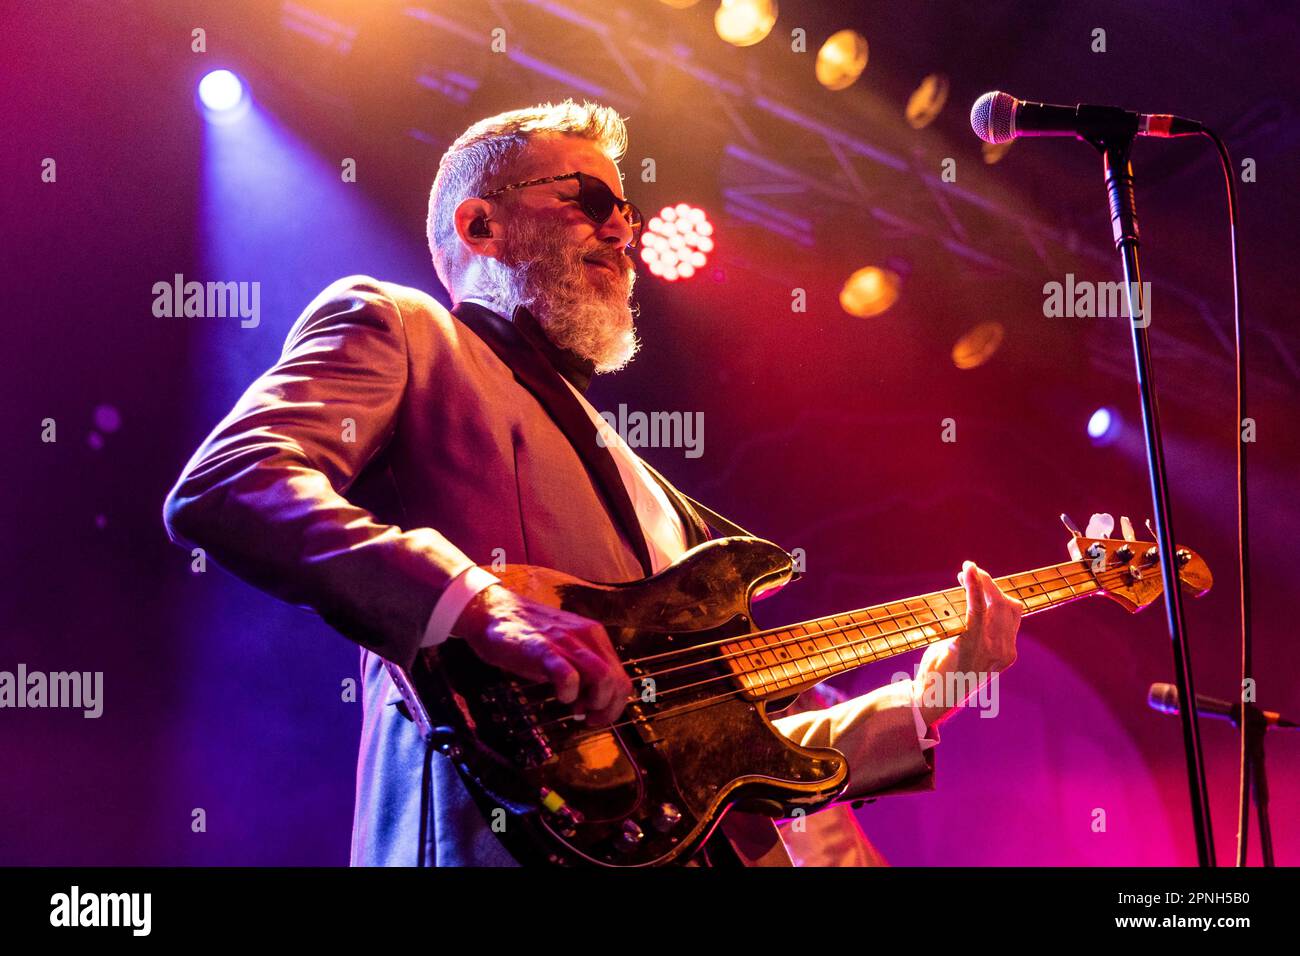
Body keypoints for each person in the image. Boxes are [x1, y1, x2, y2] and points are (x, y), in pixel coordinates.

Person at [163, 99, 1024, 866]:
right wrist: (474, 603)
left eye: (628, 209)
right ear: (479, 226)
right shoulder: (406, 327)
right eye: (590, 200)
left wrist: (929, 698)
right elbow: (233, 480)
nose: (622, 230)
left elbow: (712, 748)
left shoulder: (652, 490)